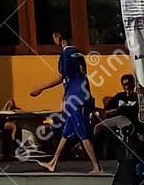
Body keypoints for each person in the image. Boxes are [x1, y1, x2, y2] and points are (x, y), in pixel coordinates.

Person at [31, 28, 100, 175]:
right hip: (82, 95)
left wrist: (40, 88)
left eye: (54, 38)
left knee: (82, 132)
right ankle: (53, 162)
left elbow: (61, 78)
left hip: (75, 98)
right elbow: (78, 77)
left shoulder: (65, 55)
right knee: (66, 132)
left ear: (58, 37)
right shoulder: (78, 53)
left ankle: (96, 167)